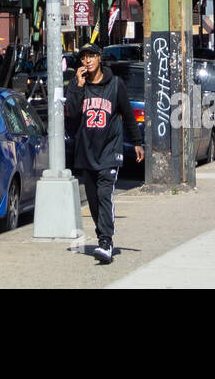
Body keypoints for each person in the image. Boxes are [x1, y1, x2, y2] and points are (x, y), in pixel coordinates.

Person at [65, 44, 144, 264]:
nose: (87, 61)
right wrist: (79, 86)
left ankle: (106, 242)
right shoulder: (76, 84)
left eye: (91, 56)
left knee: (104, 193)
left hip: (110, 149)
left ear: (100, 58)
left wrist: (136, 142)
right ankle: (102, 236)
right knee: (92, 199)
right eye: (83, 58)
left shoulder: (116, 85)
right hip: (86, 150)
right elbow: (71, 114)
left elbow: (128, 114)